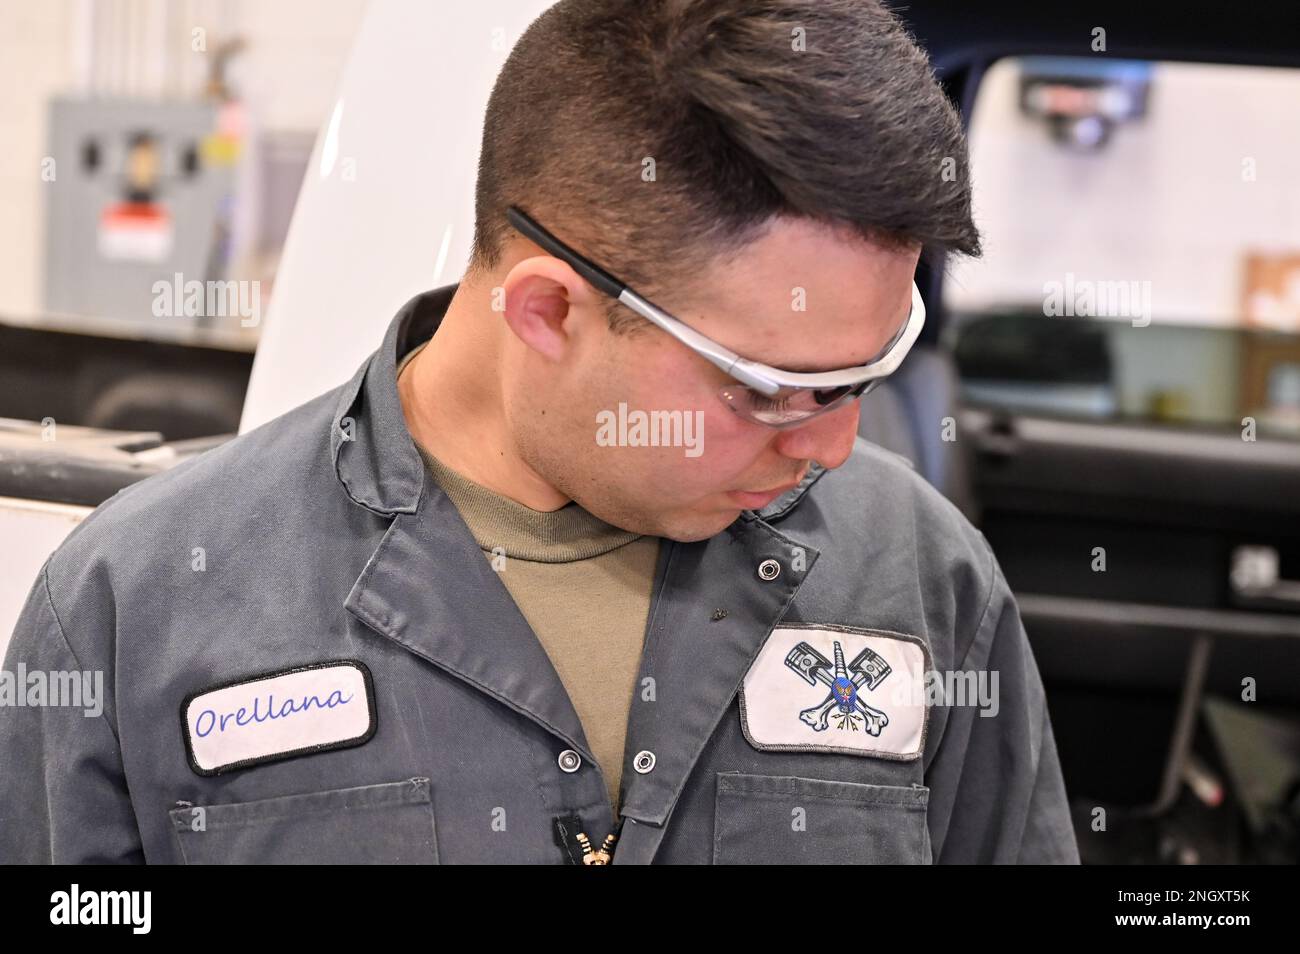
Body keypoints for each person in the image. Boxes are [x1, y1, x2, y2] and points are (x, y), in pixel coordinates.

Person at [0, 0, 1078, 864]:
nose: (832, 448)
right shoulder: (140, 608)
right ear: (548, 311)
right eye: (770, 390)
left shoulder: (920, 577)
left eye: (866, 375)